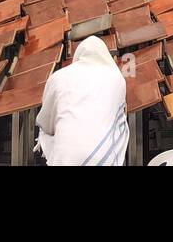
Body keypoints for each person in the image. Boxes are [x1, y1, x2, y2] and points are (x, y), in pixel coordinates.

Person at [34, 36, 129, 166]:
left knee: (44, 132)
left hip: (65, 160)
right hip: (104, 158)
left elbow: (45, 123)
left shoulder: (58, 77)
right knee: (120, 124)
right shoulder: (117, 79)